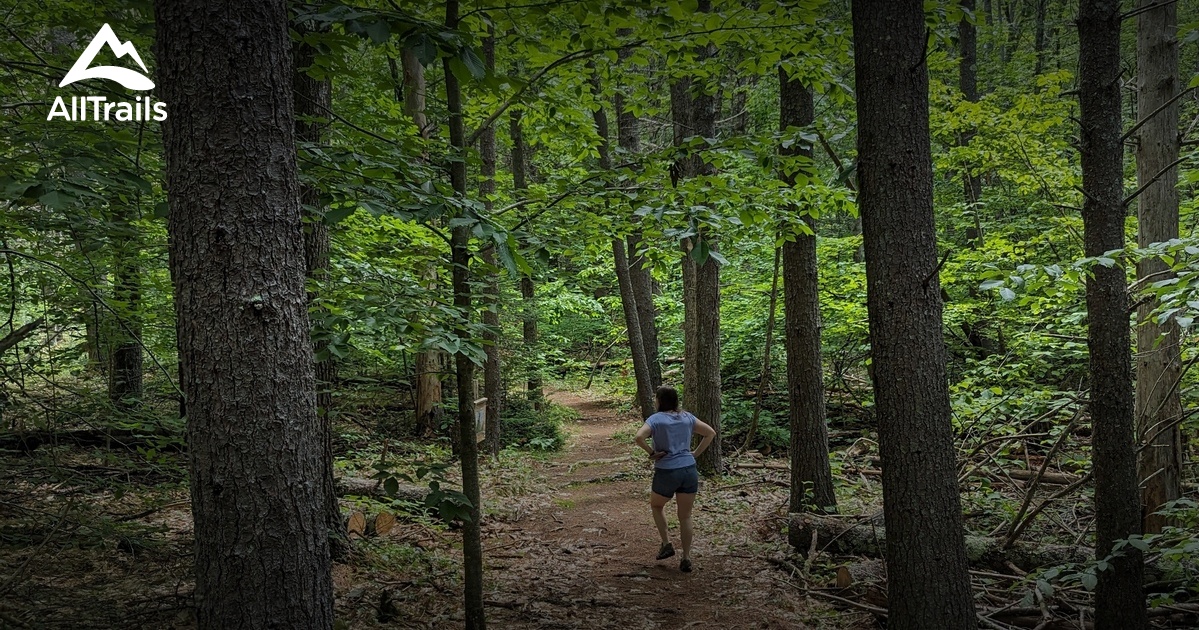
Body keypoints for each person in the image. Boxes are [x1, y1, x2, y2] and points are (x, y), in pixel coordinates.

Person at [633, 385, 717, 572]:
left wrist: (652, 453)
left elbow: (639, 437)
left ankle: (666, 543)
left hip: (667, 471)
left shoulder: (656, 419)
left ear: (659, 401)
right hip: (688, 470)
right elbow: (710, 433)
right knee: (685, 516)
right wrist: (695, 454)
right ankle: (686, 557)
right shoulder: (687, 417)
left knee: (657, 506)